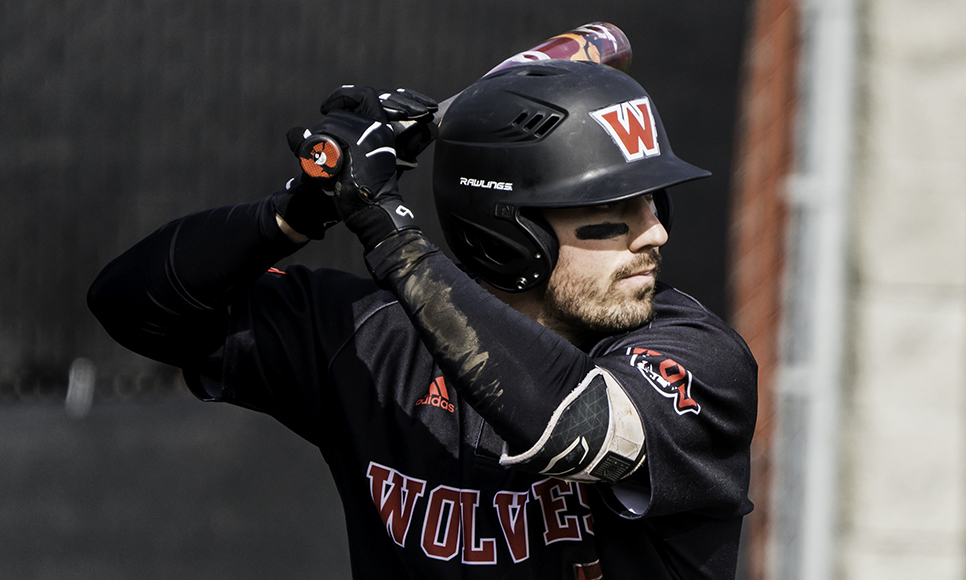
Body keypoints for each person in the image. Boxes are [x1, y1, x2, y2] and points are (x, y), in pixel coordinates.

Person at [89, 60, 757, 579]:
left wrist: (390, 230)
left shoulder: (698, 356)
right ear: (510, 233)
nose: (654, 235)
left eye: (655, 203)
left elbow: (572, 426)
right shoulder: (370, 337)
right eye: (612, 213)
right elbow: (135, 303)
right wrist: (297, 212)